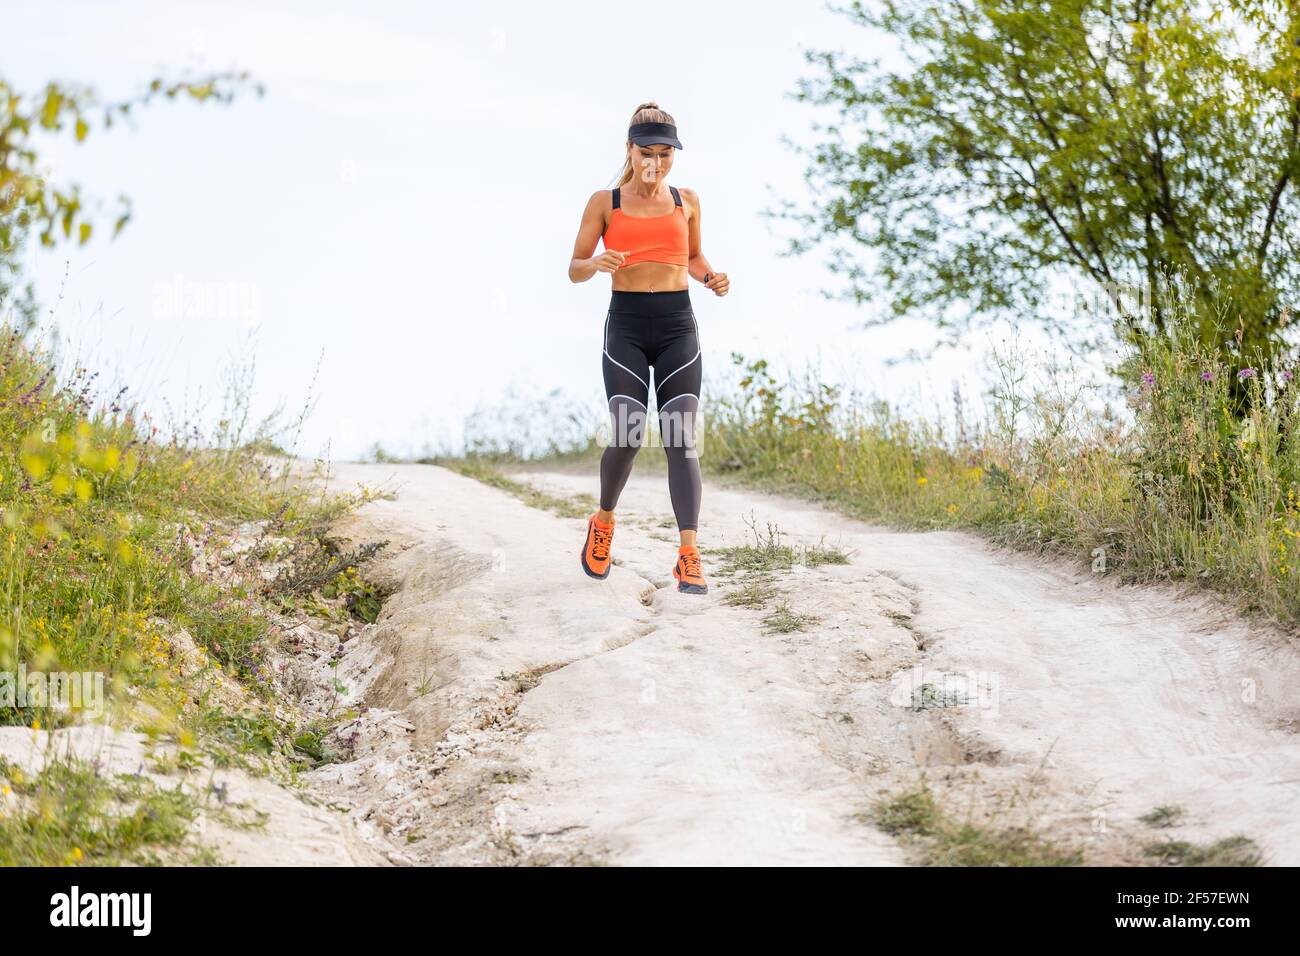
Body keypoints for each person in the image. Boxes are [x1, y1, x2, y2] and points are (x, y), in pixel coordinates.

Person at [567, 102, 729, 593]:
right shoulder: (605, 202)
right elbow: (574, 266)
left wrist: (710, 277)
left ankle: (688, 554)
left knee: (681, 435)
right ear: (629, 150)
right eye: (646, 153)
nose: (655, 164)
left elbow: (693, 255)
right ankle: (604, 523)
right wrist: (597, 263)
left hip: (679, 326)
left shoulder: (688, 201)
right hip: (628, 329)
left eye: (664, 154)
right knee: (627, 431)